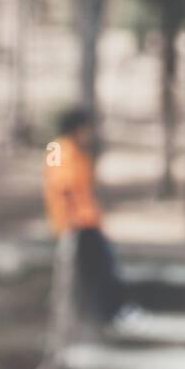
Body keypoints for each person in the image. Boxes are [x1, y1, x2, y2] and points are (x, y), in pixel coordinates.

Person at [43, 107, 123, 324]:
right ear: (77, 128)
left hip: (86, 222)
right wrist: (71, 220)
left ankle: (103, 316)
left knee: (100, 268)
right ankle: (96, 317)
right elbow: (62, 185)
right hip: (74, 225)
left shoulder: (77, 152)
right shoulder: (59, 149)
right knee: (86, 272)